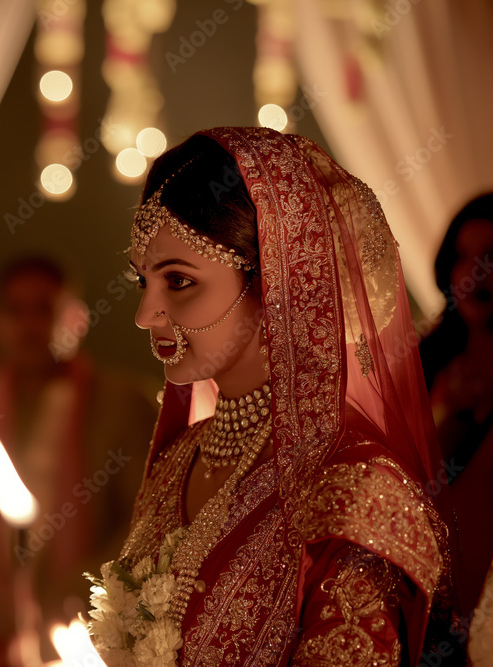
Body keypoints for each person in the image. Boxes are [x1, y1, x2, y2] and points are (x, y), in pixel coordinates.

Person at [87, 127, 458, 666]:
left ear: (278, 284)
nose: (146, 314)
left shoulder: (353, 491)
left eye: (180, 281)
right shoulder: (174, 464)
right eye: (142, 280)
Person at [0, 256, 160, 666]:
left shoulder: (127, 404)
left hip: (90, 625)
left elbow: (145, 519)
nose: (29, 326)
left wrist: (78, 593)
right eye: (13, 310)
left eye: (44, 309)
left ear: (77, 318)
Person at [418, 193, 493, 629]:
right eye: (464, 257)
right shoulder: (429, 362)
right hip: (425, 578)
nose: (476, 273)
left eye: (491, 256)